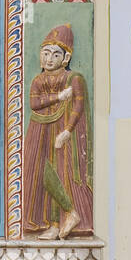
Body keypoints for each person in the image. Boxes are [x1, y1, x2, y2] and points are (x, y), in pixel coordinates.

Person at [23, 23, 92, 239]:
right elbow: (34, 104)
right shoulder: (38, 79)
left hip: (61, 129)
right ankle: (56, 220)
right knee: (39, 173)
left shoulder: (74, 79)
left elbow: (78, 108)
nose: (49, 59)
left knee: (60, 173)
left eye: (55, 54)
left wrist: (68, 131)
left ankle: (64, 218)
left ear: (66, 57)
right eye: (45, 53)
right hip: (40, 129)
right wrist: (58, 97)